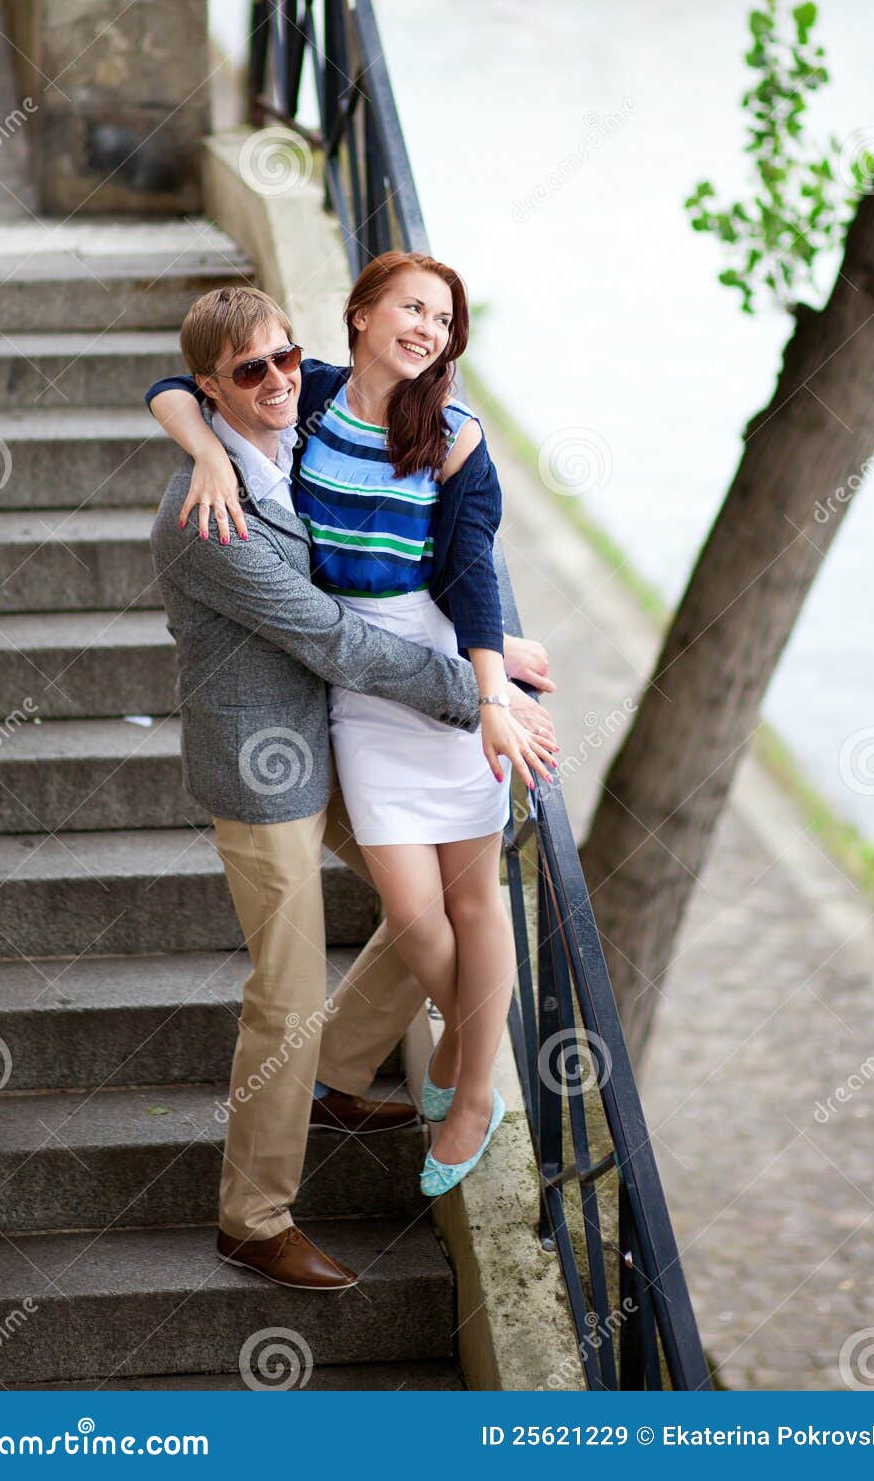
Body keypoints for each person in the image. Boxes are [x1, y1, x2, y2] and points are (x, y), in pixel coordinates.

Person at [149, 280, 556, 1289]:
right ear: (216, 389)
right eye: (252, 372)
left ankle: (336, 1075)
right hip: (265, 764)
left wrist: (496, 645)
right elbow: (332, 635)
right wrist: (477, 691)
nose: (280, 380)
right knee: (286, 994)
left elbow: (445, 553)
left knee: (415, 904)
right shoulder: (210, 512)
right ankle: (252, 1214)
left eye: (287, 358)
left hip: (332, 734)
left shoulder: (294, 425)